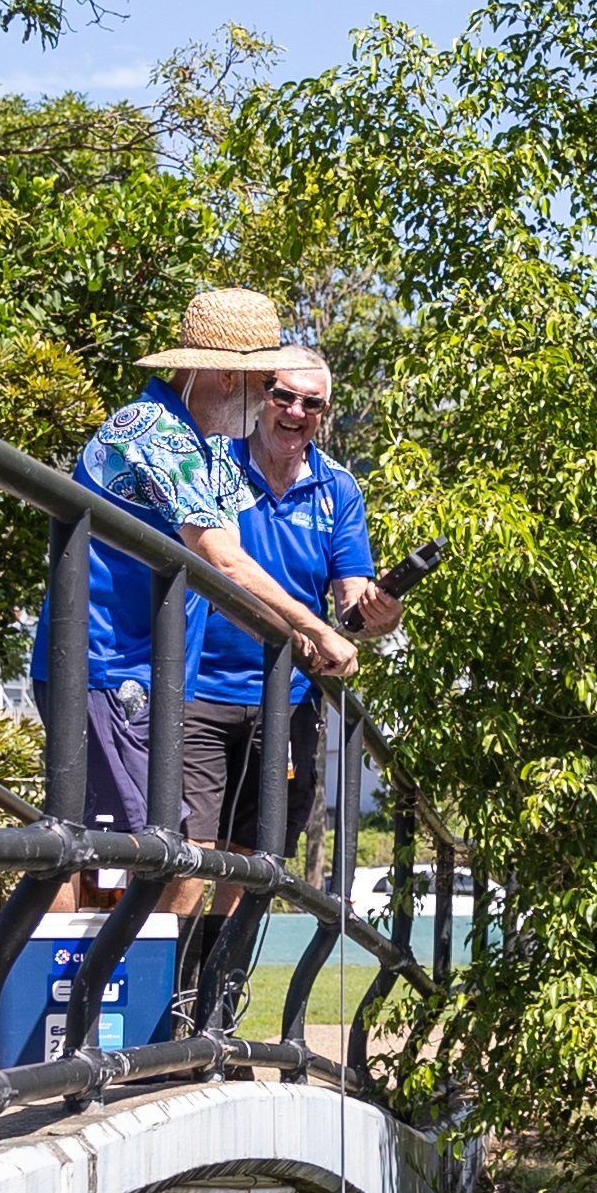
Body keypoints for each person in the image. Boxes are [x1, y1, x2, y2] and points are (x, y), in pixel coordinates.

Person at [39, 288, 358, 888]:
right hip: (106, 669)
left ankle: (133, 983)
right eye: (266, 385)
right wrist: (313, 629)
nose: (271, 402)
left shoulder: (204, 445)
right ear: (223, 376)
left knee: (141, 856)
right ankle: (17, 978)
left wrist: (292, 637)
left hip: (149, 676)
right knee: (96, 859)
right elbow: (222, 562)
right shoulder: (157, 433)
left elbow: (230, 557)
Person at [190, 344, 396, 866]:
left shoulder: (339, 488)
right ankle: (180, 953)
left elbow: (351, 607)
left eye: (313, 404)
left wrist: (379, 614)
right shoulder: (213, 462)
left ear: (324, 413)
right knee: (185, 856)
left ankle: (221, 953)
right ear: (262, 395)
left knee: (259, 866)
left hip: (289, 698)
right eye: (284, 396)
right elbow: (220, 561)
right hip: (199, 688)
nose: (296, 412)